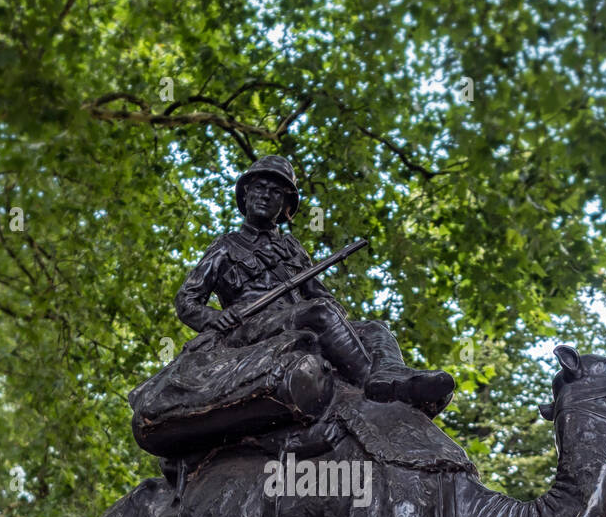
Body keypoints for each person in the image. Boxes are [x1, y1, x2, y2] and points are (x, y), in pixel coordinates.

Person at [173, 156, 455, 413]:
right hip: (252, 325)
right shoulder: (225, 246)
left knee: (374, 328)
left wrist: (339, 316)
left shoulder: (292, 248)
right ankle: (374, 384)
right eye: (259, 187)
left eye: (276, 192)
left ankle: (391, 375)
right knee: (319, 312)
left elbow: (318, 294)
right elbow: (187, 301)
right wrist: (217, 317)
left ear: (286, 206)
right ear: (246, 194)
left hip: (300, 317)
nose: (265, 196)